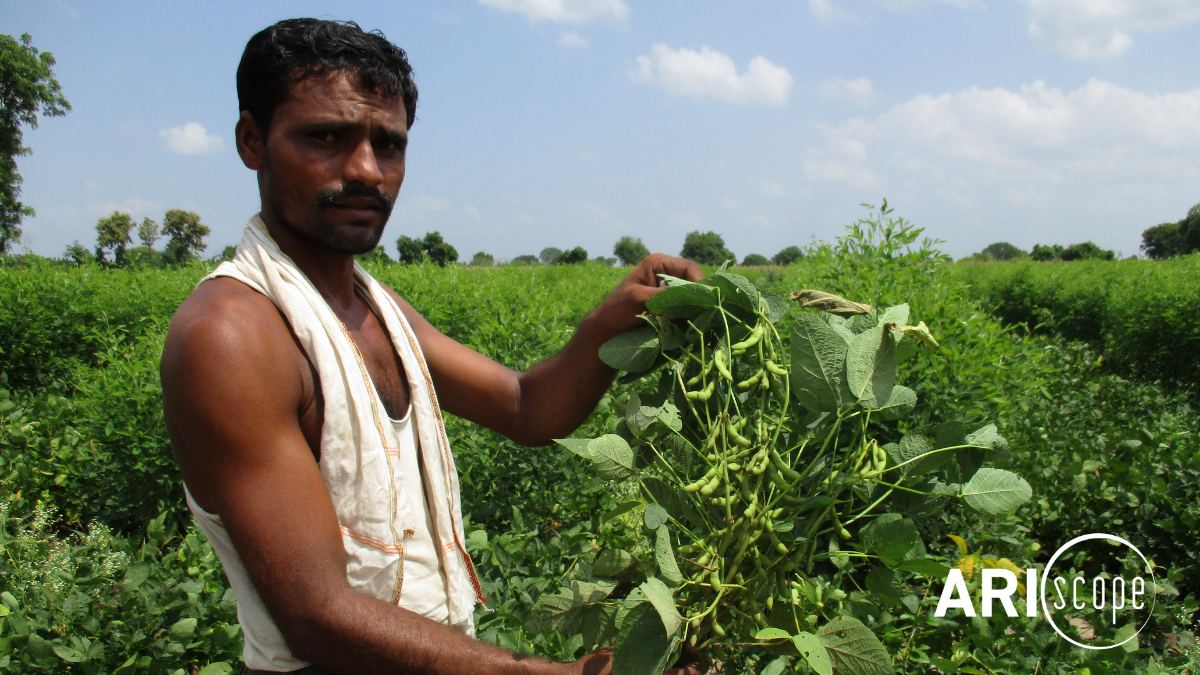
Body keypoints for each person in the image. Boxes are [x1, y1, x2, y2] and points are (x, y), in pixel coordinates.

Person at [160, 18, 704, 675]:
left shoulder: (378, 311)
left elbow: (526, 405)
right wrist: (557, 674)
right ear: (253, 141)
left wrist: (610, 321)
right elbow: (317, 615)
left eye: (388, 144)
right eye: (325, 137)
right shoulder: (232, 335)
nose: (365, 169)